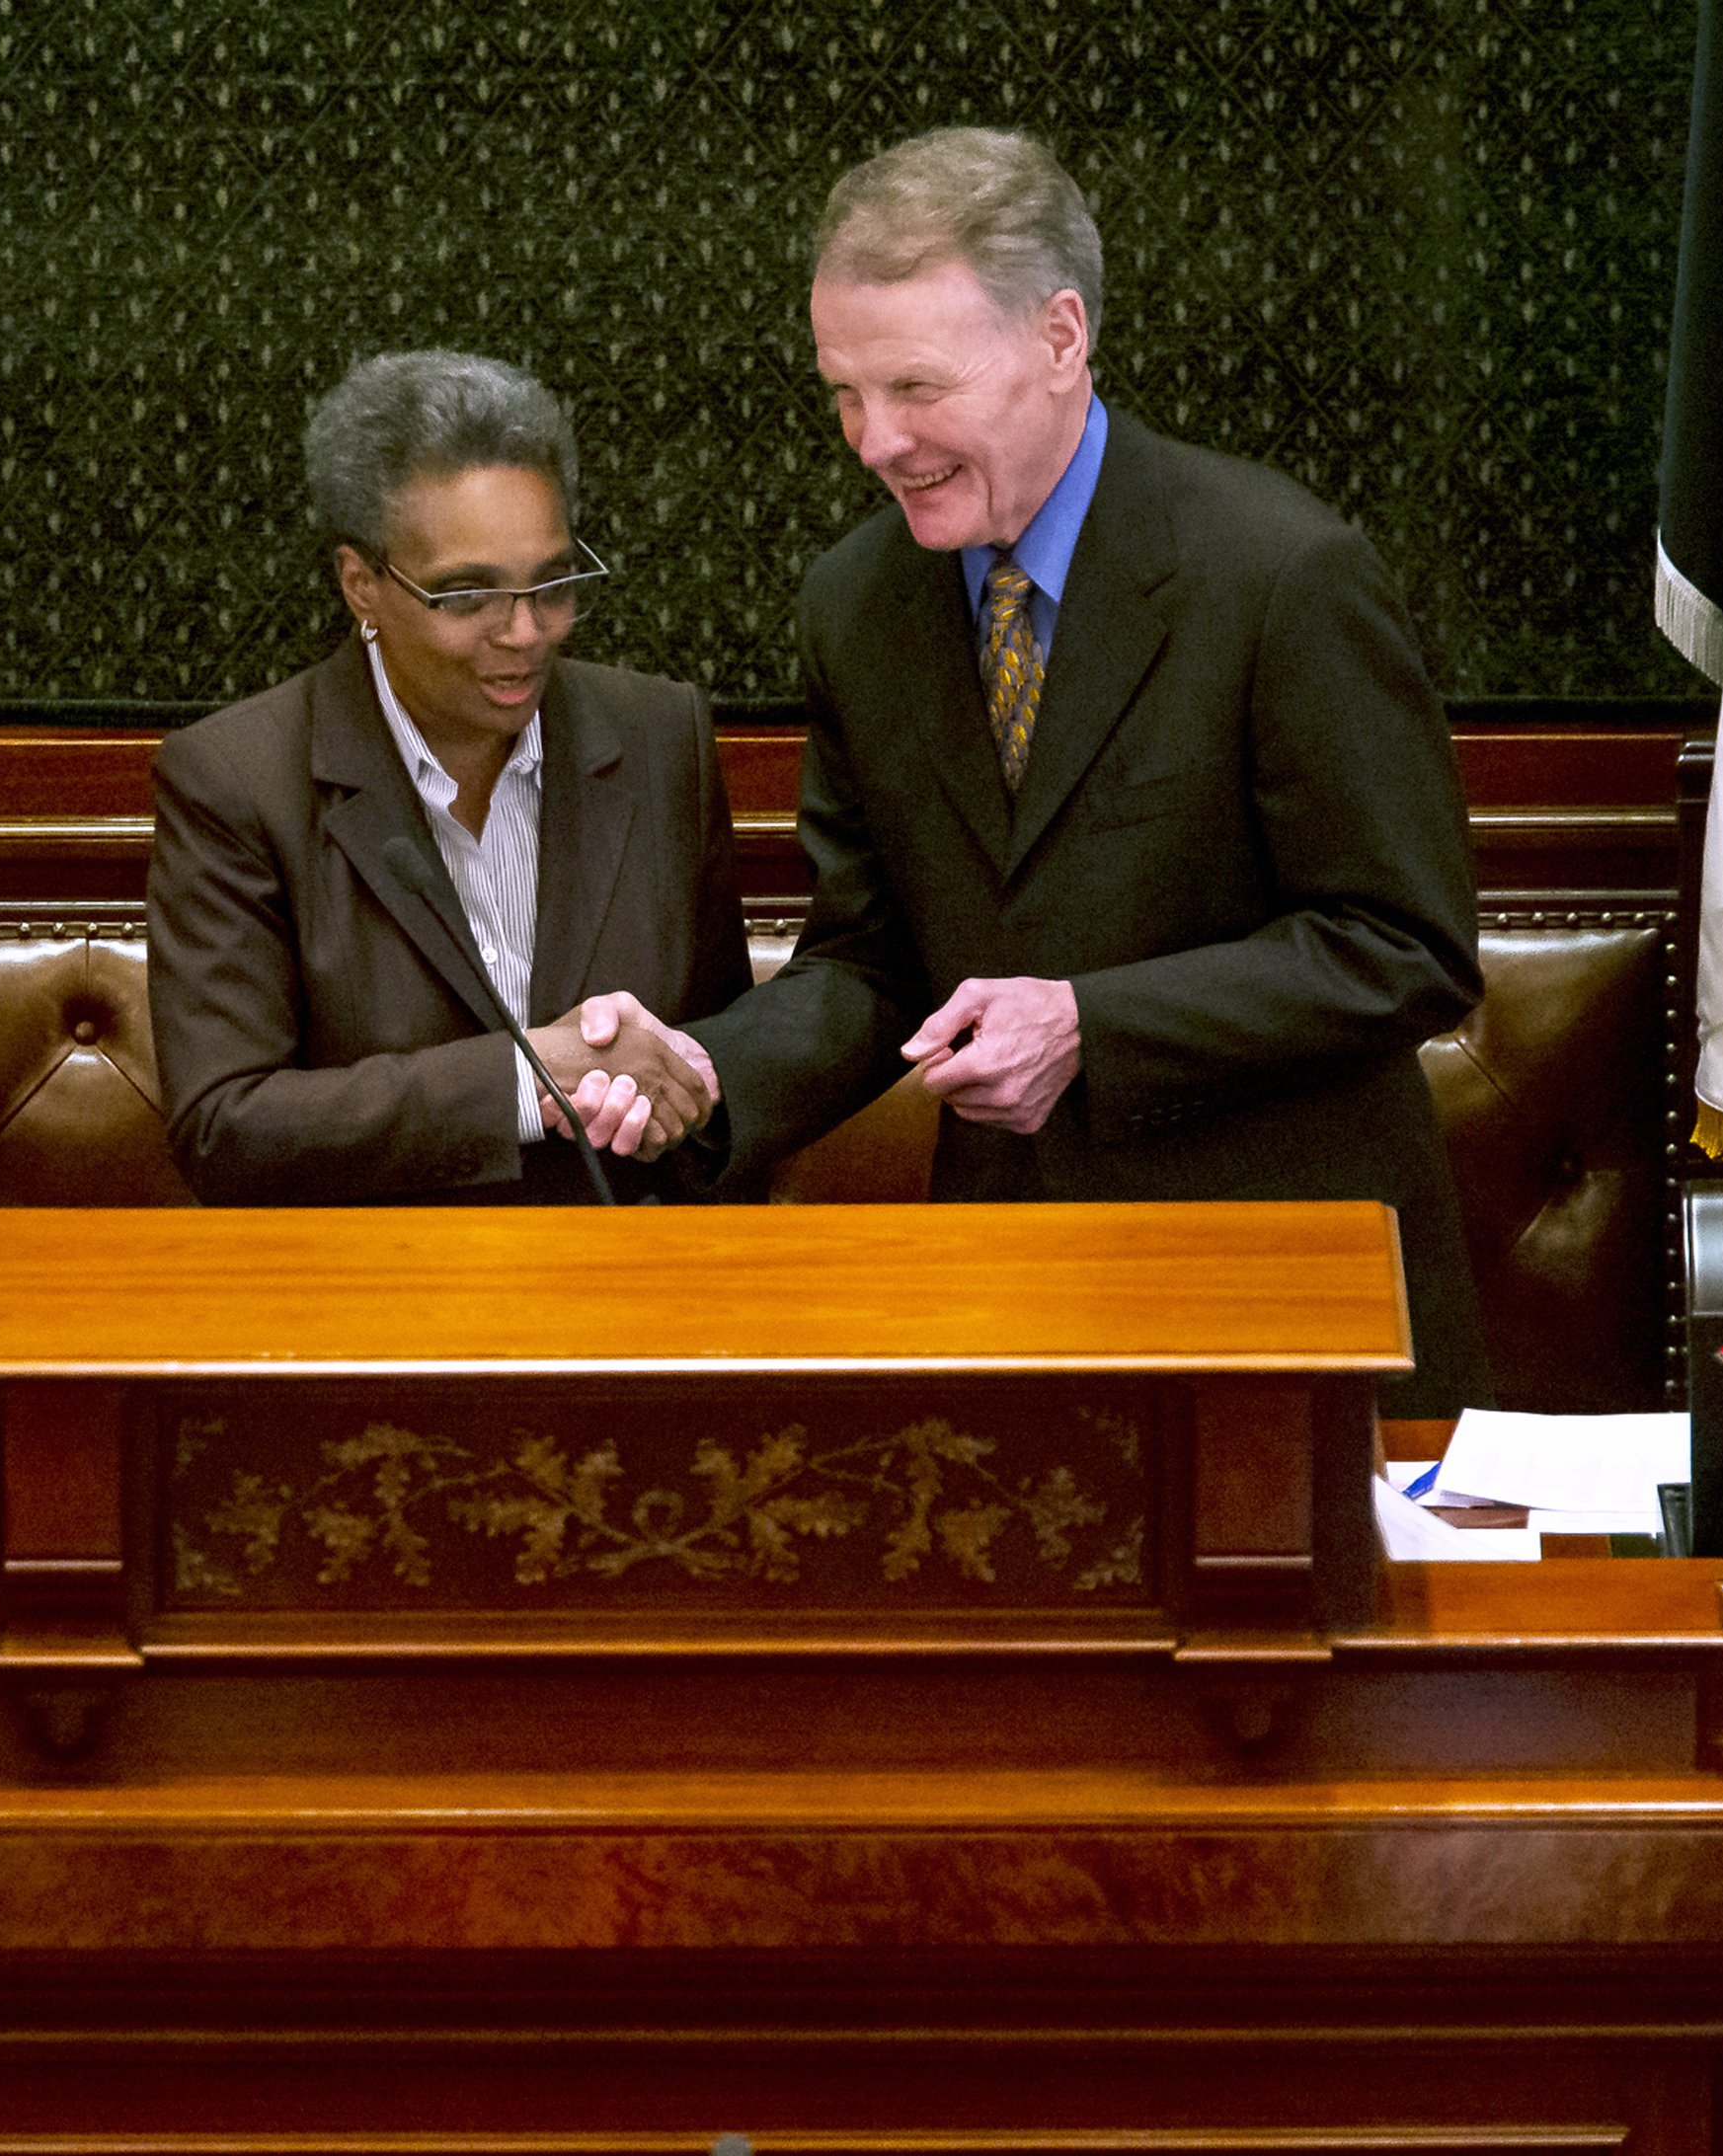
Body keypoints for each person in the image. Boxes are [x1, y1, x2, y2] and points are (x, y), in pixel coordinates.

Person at [581, 128, 1492, 1410]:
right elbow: (871, 957)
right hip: (1013, 1287)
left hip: (1284, 1288)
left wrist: (1091, 1025)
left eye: (916, 388)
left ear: (1061, 336)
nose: (875, 440)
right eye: (845, 391)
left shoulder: (1279, 575)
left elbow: (1405, 942)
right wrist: (715, 1069)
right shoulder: (858, 601)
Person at [147, 349, 748, 1204]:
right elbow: (225, 1126)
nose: (524, 632)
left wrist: (683, 1093)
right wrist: (526, 1081)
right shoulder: (239, 780)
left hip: (629, 1281)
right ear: (362, 584)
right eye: (468, 597)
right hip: (374, 1294)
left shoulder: (660, 738)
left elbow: (721, 1055)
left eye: (552, 585)